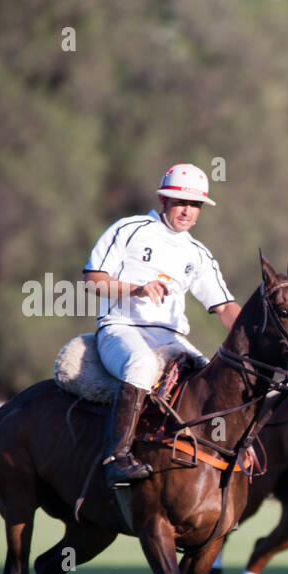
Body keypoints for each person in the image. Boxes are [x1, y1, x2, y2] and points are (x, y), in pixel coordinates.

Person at [82, 163, 240, 487]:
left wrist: (260, 332)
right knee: (141, 364)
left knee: (211, 378)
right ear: (163, 200)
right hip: (121, 328)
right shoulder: (129, 229)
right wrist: (136, 289)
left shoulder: (198, 253)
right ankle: (117, 457)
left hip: (170, 338)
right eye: (180, 202)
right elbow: (93, 280)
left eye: (194, 205)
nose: (187, 211)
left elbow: (225, 307)